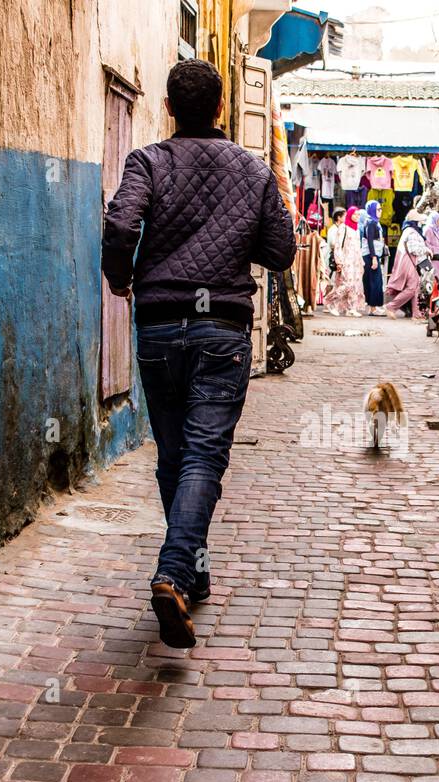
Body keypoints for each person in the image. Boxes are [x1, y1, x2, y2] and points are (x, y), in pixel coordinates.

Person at [102, 59, 296, 648]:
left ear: (167, 107)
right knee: (203, 457)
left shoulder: (148, 161)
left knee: (174, 455)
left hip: (160, 329)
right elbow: (282, 250)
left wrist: (120, 277)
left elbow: (119, 226)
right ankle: (176, 571)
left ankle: (193, 568)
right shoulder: (253, 169)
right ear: (220, 110)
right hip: (223, 334)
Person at [386, 210, 431, 318]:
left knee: (415, 287)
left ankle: (416, 313)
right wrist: (426, 250)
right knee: (412, 287)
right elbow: (413, 249)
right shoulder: (411, 232)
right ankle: (391, 306)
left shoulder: (409, 230)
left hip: (408, 261)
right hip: (409, 261)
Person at [325, 205, 365, 317]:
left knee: (355, 285)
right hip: (346, 261)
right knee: (347, 284)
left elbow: (357, 247)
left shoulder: (356, 229)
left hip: (355, 262)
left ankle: (351, 308)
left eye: (358, 214)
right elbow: (338, 246)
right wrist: (339, 262)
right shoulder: (344, 228)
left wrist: (361, 262)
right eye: (355, 214)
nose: (357, 216)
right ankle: (330, 301)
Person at [361, 199, 386, 315]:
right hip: (370, 256)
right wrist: (374, 257)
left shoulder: (375, 222)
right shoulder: (370, 223)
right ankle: (373, 308)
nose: (380, 211)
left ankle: (374, 306)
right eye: (378, 209)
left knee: (376, 281)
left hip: (373, 255)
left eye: (381, 209)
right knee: (374, 282)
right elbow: (370, 241)